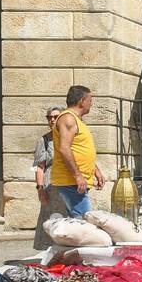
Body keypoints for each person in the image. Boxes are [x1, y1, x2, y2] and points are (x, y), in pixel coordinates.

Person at [51, 85, 105, 218]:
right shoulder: (68, 119)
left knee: (77, 225)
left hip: (76, 182)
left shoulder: (77, 120)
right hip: (71, 182)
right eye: (90, 100)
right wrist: (78, 176)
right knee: (84, 222)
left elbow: (79, 149)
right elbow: (64, 149)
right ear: (82, 101)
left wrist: (95, 170)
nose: (91, 104)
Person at [31, 106, 62, 249]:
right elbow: (39, 167)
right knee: (50, 218)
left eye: (56, 117)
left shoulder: (71, 137)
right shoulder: (43, 140)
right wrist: (40, 189)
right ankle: (49, 251)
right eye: (50, 118)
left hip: (68, 184)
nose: (52, 120)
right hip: (51, 186)